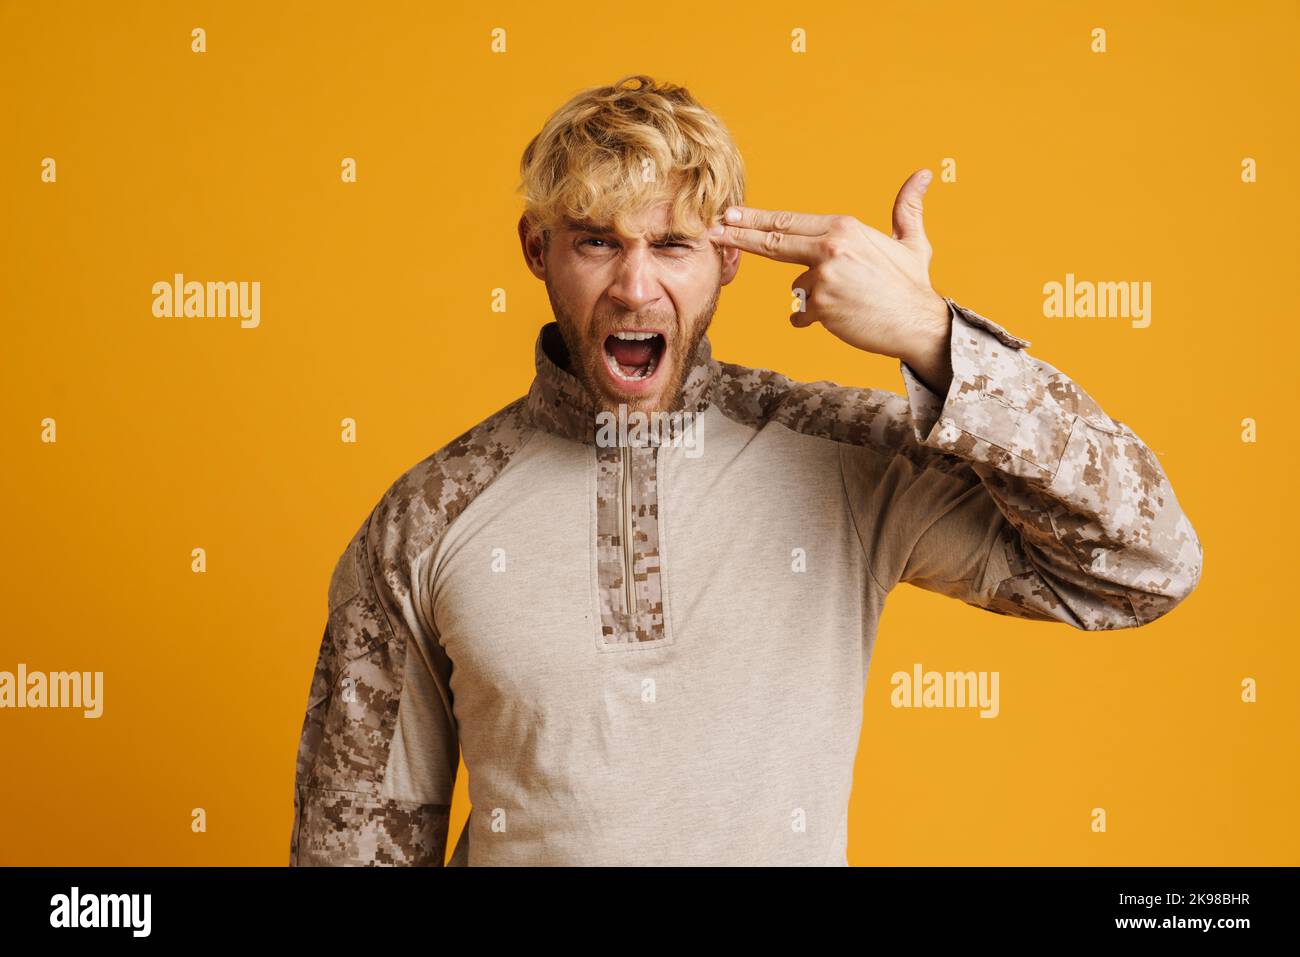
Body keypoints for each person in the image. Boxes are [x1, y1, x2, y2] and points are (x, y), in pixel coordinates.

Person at [289, 74, 1202, 867]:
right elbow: (357, 839)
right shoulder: (428, 516)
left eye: (674, 244)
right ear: (538, 250)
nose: (635, 287)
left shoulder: (844, 458)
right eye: (597, 241)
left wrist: (935, 337)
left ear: (729, 259)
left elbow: (1139, 567)